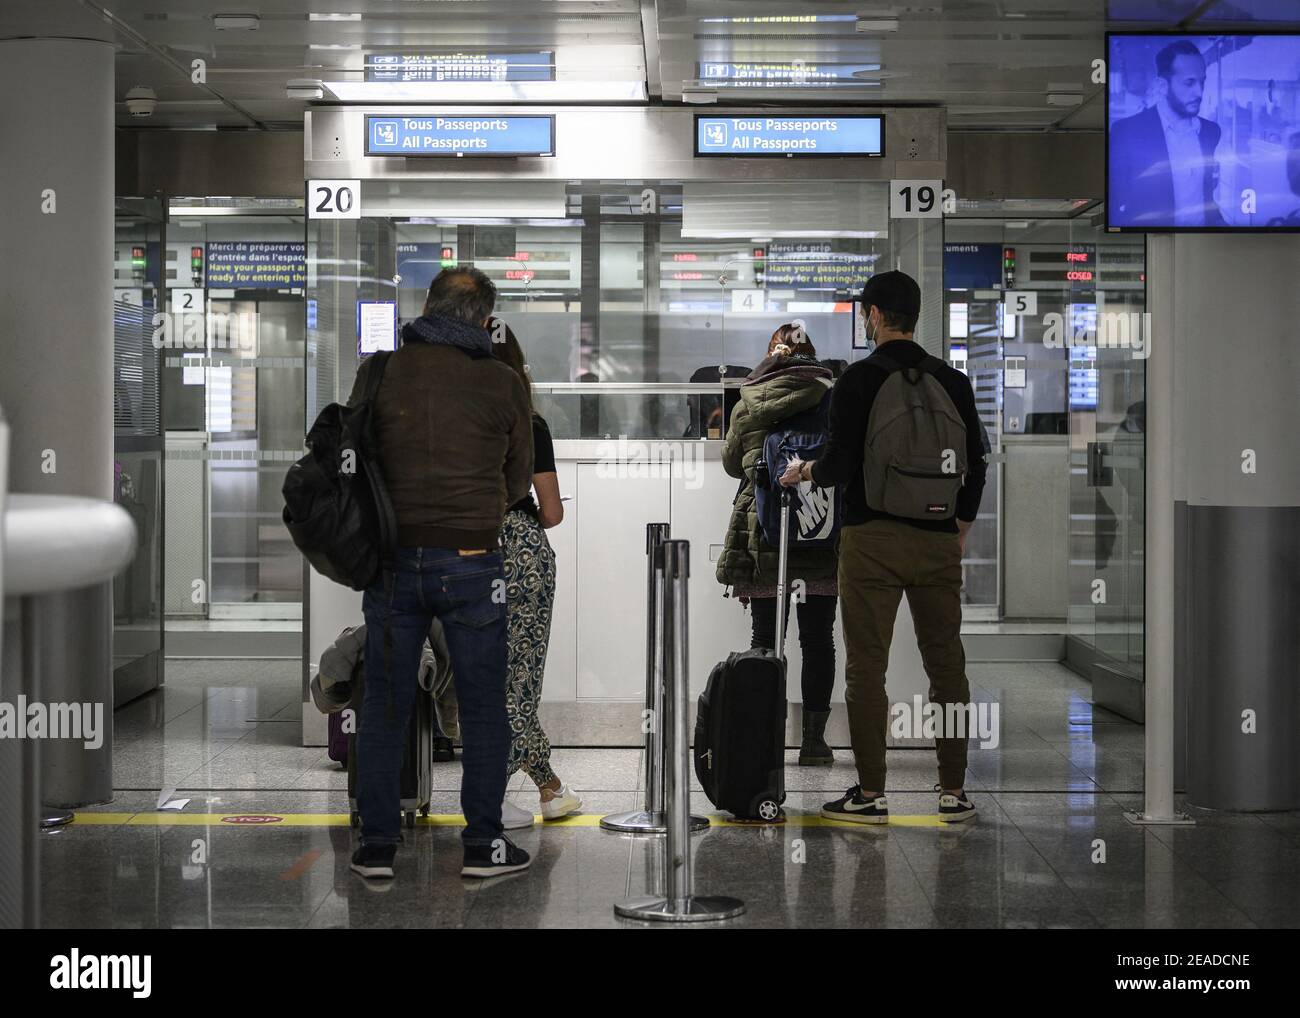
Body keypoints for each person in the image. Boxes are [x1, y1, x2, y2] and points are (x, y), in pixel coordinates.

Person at [780, 270, 989, 823]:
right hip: (938, 538)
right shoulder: (954, 381)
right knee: (947, 666)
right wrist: (960, 528)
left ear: (873, 315)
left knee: (867, 667)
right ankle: (953, 792)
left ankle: (871, 794)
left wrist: (805, 471)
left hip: (871, 539)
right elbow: (978, 464)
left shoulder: (858, 381)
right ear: (915, 315)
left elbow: (840, 465)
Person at [346, 267, 534, 880]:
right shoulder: (504, 384)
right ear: (485, 320)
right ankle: (483, 846)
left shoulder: (379, 372)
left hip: (394, 565)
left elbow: (354, 461)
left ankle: (376, 847)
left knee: (385, 707)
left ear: (426, 307)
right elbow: (515, 483)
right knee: (482, 708)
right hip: (475, 563)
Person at [717, 324, 839, 765]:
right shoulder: (830, 398)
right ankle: (814, 742)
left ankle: (765, 739)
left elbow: (733, 465)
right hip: (821, 536)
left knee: (766, 640)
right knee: (818, 641)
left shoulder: (749, 403)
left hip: (764, 533)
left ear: (770, 355)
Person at [487, 317, 584, 828]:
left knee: (489, 678)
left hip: (463, 551)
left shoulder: (456, 423)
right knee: (520, 680)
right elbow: (551, 512)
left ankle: (550, 788)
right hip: (521, 552)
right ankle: (492, 796)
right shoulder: (528, 423)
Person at [1110, 39, 1227, 228]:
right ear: (1163, 86)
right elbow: (1115, 203)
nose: (1199, 92)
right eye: (1189, 83)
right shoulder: (1126, 132)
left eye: (1202, 81)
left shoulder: (1211, 132)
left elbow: (1205, 195)